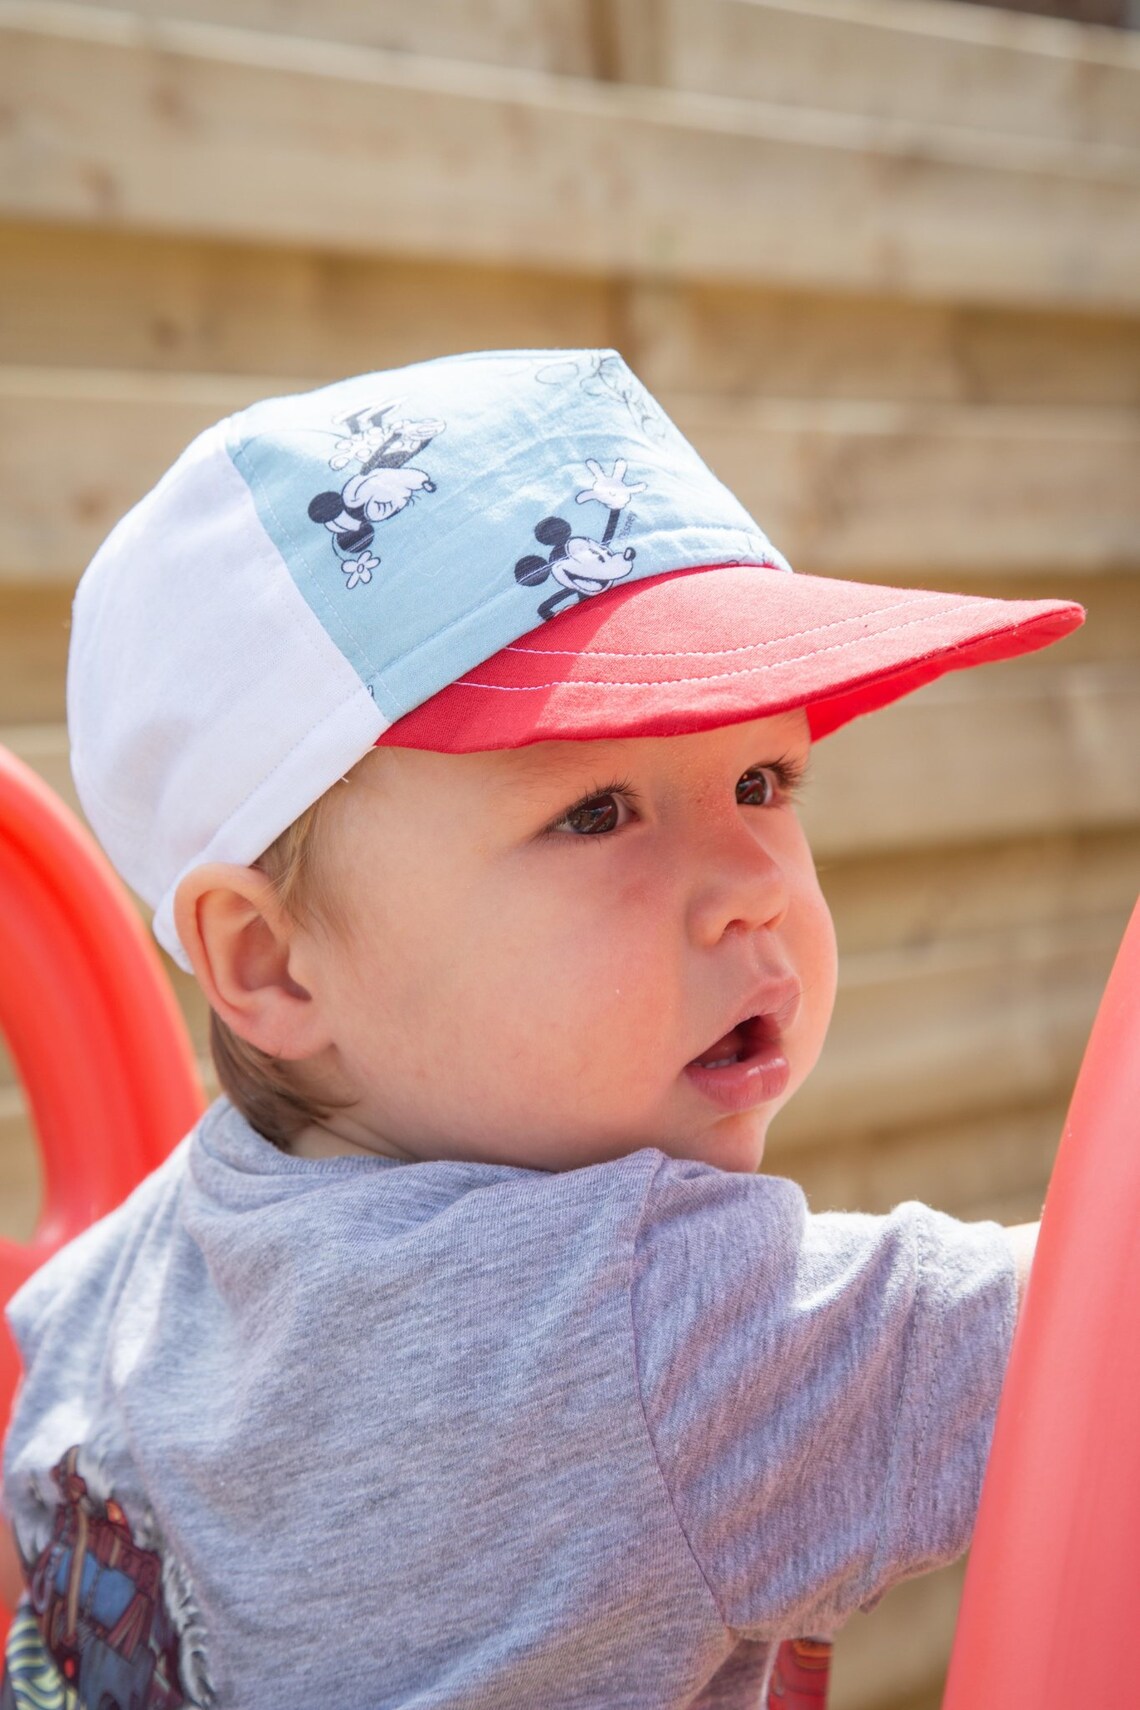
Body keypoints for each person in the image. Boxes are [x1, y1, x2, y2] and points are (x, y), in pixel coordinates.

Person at [0, 350, 1079, 1710]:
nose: (754, 883)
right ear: (270, 956)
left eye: (765, 776)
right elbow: (1093, 1322)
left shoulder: (114, 1293)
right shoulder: (650, 1335)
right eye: (596, 810)